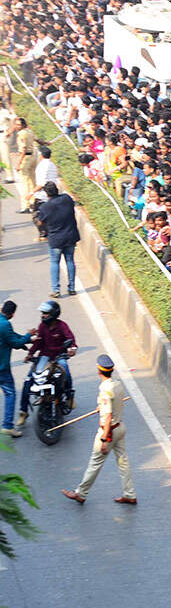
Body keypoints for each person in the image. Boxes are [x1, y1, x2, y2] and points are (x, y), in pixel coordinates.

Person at [62, 354, 136, 505]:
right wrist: (101, 407)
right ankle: (130, 493)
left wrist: (104, 439)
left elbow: (107, 416)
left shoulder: (105, 390)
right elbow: (115, 404)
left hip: (109, 431)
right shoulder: (117, 384)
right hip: (120, 427)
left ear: (99, 370)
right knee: (123, 462)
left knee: (95, 463)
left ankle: (81, 493)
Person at [19, 299, 75, 426]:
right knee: (28, 380)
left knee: (65, 370)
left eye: (45, 313)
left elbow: (71, 339)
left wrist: (72, 349)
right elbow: (38, 342)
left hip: (59, 357)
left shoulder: (62, 326)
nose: (43, 315)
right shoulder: (42, 326)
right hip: (44, 357)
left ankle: (69, 395)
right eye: (42, 313)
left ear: (53, 314)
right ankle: (23, 411)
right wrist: (30, 354)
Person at [36, 181, 80, 297]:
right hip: (70, 236)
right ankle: (72, 288)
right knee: (70, 261)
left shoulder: (45, 207)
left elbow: (40, 222)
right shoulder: (66, 199)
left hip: (55, 239)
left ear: (46, 193)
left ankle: (56, 290)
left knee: (55, 262)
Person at [0, 300, 30, 437]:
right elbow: (15, 342)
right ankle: (7, 426)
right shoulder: (5, 324)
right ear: (12, 314)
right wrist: (28, 336)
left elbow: (11, 336)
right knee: (10, 393)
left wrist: (27, 339)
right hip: (2, 369)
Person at [13, 117, 36, 212]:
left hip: (26, 158)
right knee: (32, 181)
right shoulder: (29, 131)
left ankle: (25, 205)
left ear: (23, 125)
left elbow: (23, 149)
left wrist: (19, 164)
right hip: (33, 157)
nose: (17, 126)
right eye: (16, 124)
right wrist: (46, 142)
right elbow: (36, 139)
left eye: (18, 125)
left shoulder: (21, 134)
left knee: (24, 183)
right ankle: (33, 202)